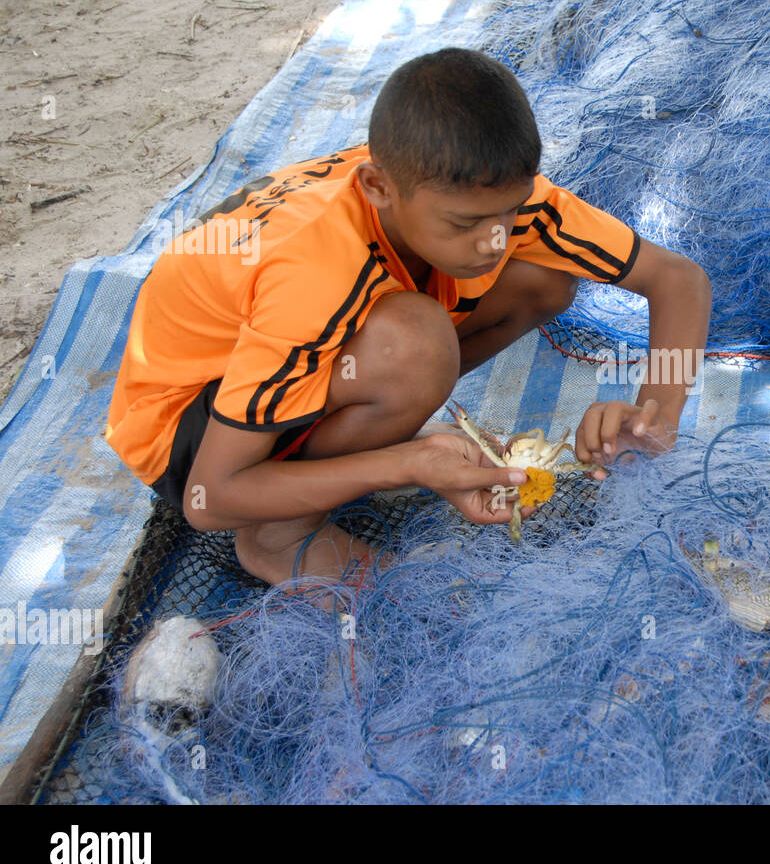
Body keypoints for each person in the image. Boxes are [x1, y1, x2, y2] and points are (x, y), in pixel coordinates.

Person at [106, 48, 711, 588]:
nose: (494, 239)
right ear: (377, 188)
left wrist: (653, 416)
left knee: (544, 278)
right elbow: (208, 501)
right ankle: (280, 536)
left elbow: (678, 280)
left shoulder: (482, 196)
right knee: (415, 345)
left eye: (509, 211)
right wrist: (408, 464)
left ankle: (375, 423)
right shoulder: (317, 273)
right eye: (464, 225)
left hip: (289, 377)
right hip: (189, 432)